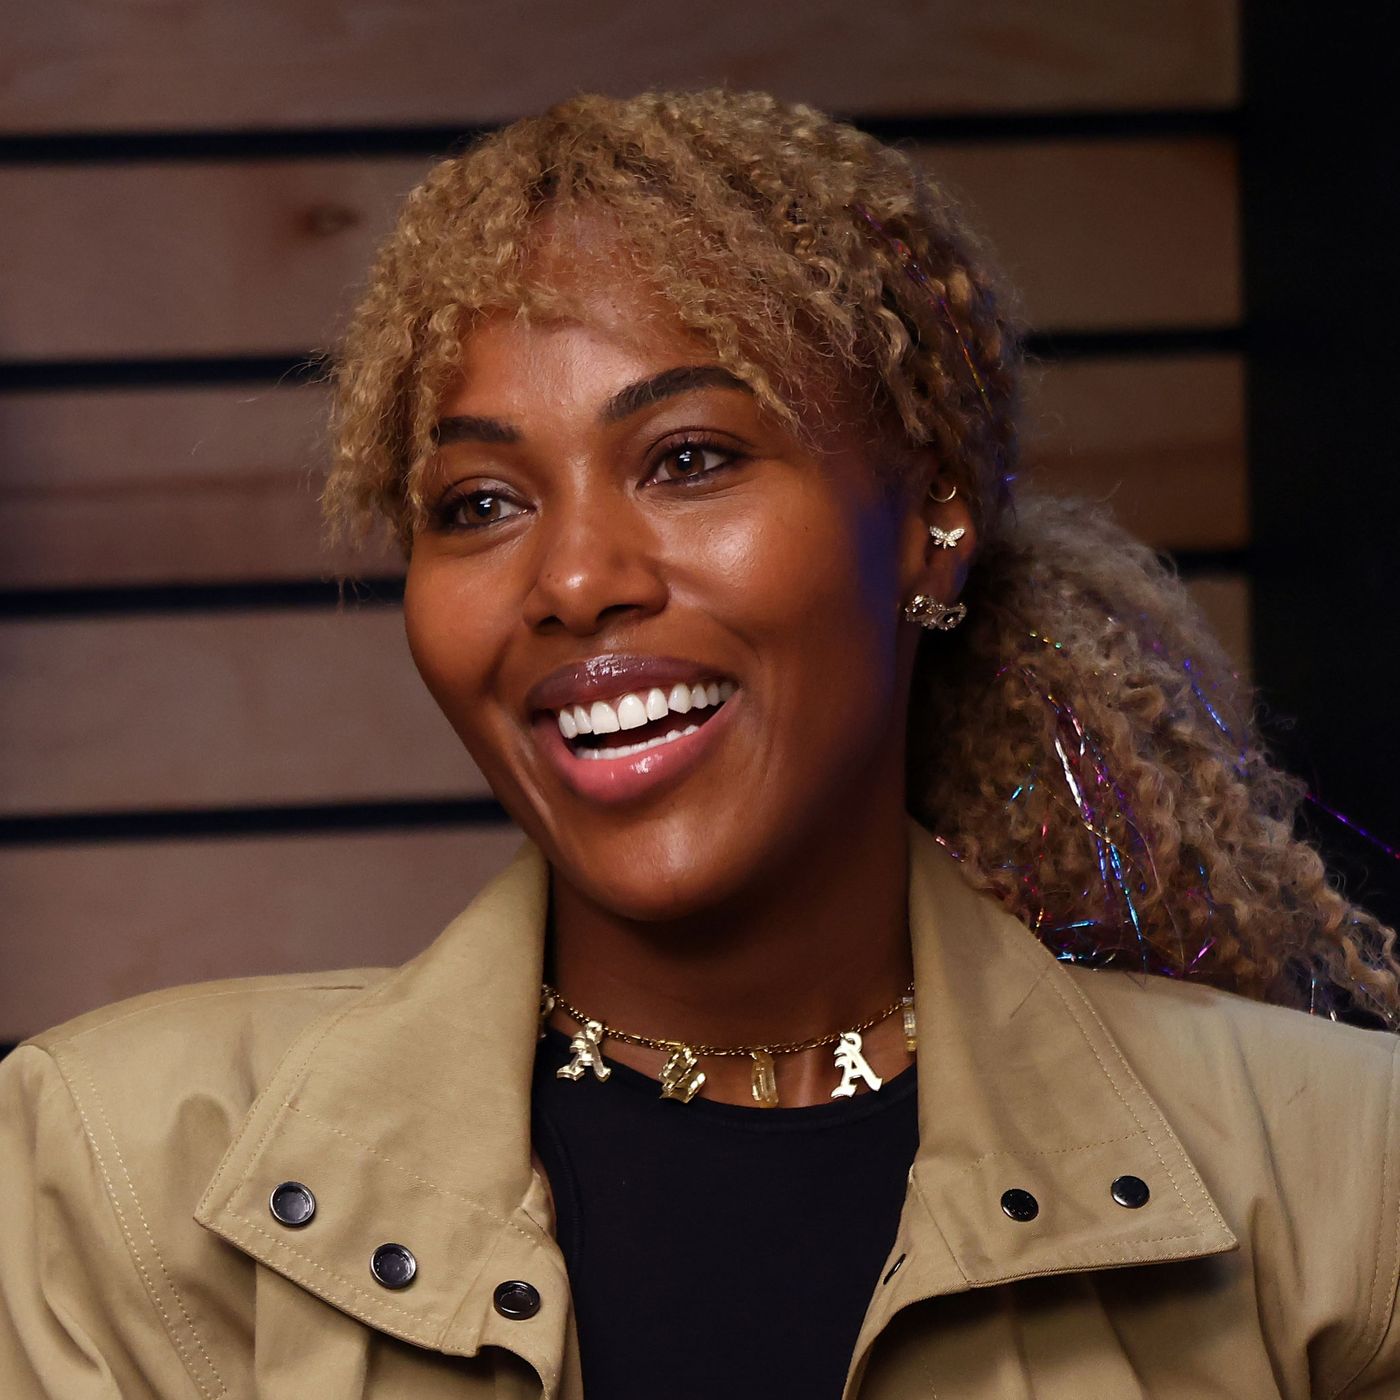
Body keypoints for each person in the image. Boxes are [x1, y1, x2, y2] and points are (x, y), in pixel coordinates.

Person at [2, 88, 1399, 1399]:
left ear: (932, 520)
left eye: (689, 460)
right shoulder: (124, 1172)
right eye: (479, 503)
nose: (573, 579)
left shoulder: (1342, 1173)